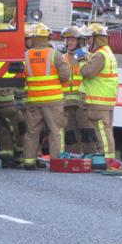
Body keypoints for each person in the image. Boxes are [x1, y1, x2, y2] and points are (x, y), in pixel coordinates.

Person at [22, 22, 70, 169]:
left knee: (32, 132)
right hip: (53, 100)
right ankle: (56, 163)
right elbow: (65, 75)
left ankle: (29, 162)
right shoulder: (55, 55)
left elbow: (21, 77)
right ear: (47, 38)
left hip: (33, 100)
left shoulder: (25, 56)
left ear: (34, 38)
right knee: (56, 131)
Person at [79, 23, 119, 160]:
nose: (87, 41)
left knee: (102, 130)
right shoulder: (106, 52)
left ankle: (108, 159)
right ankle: (107, 156)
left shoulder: (100, 56)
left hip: (98, 101)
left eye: (89, 38)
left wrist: (81, 60)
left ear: (97, 39)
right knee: (105, 130)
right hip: (105, 100)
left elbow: (86, 72)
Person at [60, 26, 97, 154]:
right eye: (68, 40)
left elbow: (90, 74)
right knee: (69, 134)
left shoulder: (88, 57)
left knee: (87, 131)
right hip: (66, 102)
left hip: (82, 102)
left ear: (80, 41)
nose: (69, 42)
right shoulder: (61, 58)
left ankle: (91, 156)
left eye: (72, 40)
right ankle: (73, 157)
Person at [0, 87, 26, 168]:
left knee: (5, 130)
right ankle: (18, 156)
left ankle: (6, 158)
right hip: (8, 102)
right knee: (19, 128)